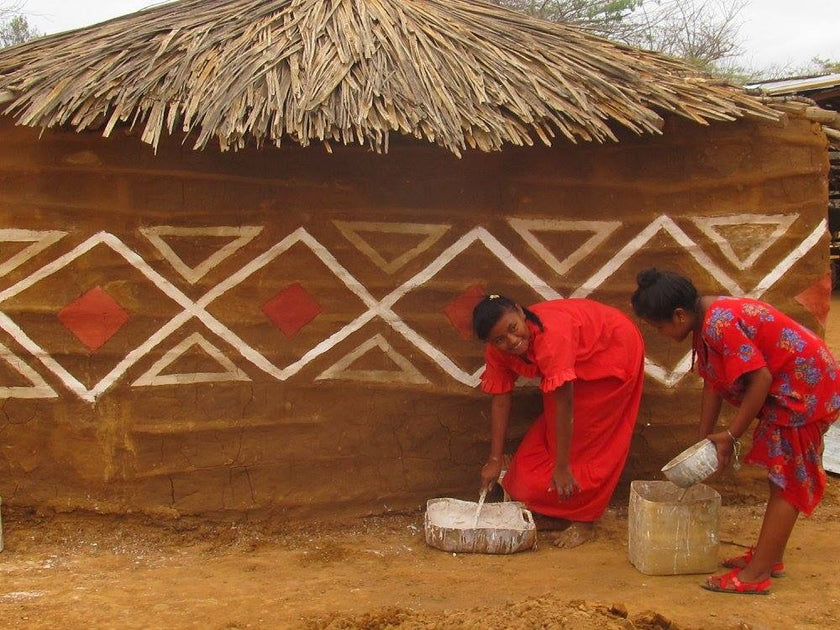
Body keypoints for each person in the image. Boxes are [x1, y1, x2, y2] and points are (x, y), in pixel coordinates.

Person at [631, 268, 840, 595]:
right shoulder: (705, 322)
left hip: (805, 391)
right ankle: (771, 558)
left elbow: (761, 379)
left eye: (658, 327)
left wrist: (730, 436)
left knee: (787, 481)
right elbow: (714, 382)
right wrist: (704, 438)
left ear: (679, 315)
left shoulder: (720, 324)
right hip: (796, 386)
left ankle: (757, 576)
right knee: (780, 476)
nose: (658, 333)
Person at [472, 294, 645, 548]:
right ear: (490, 343)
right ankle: (562, 512)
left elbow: (564, 403)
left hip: (613, 351)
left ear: (521, 312)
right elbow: (500, 399)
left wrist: (562, 467)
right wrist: (494, 460)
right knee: (526, 479)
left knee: (585, 443)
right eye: (500, 339)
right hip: (573, 368)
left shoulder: (551, 337)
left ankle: (586, 519)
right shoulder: (497, 352)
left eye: (513, 329)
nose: (512, 341)